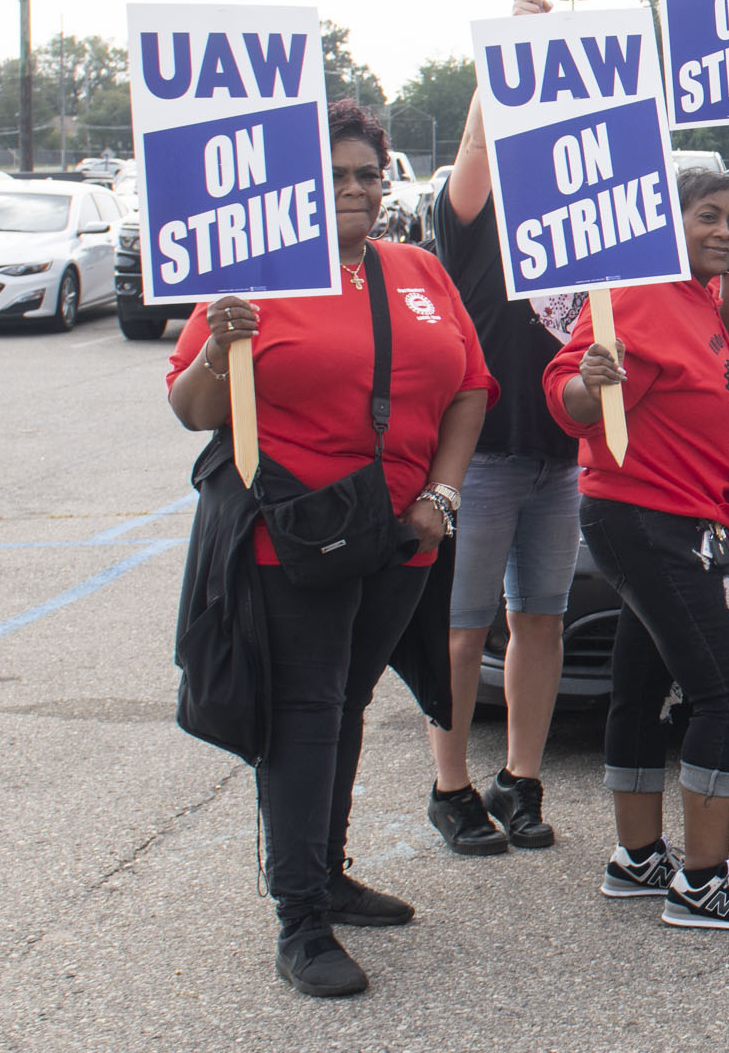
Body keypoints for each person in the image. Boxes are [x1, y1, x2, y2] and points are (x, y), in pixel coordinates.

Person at [166, 100, 491, 998]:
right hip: (295, 542)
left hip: (403, 536)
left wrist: (441, 496)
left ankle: (330, 873)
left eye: (366, 175)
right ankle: (299, 919)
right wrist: (220, 346)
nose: (354, 190)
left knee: (345, 706)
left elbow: (471, 387)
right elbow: (194, 407)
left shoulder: (418, 265)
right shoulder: (256, 277)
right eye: (334, 176)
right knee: (304, 718)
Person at [543, 167, 729, 932]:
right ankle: (704, 881)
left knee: (643, 682)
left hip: (680, 514)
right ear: (664, 225)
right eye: (706, 217)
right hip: (655, 515)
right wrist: (590, 382)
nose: (723, 230)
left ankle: (639, 857)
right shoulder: (640, 295)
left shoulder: (699, 297)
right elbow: (569, 395)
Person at [421, 0, 580, 861]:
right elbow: (479, 144)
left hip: (559, 458)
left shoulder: (587, 222)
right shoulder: (473, 216)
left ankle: (522, 779)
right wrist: (510, 49)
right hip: (479, 458)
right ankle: (452, 785)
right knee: (462, 625)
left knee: (542, 618)